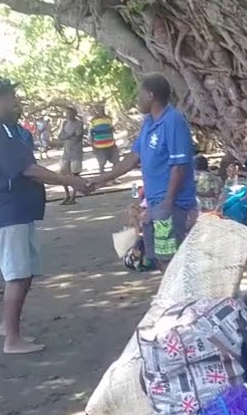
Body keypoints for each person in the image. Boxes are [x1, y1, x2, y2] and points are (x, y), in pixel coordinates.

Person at [0, 76, 91, 355]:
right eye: (10, 97)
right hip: (6, 212)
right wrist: (72, 181)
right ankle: (12, 340)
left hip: (16, 211)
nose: (16, 101)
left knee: (24, 273)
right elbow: (29, 169)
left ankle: (8, 326)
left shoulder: (5, 129)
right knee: (16, 275)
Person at [96, 74, 199, 269]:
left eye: (139, 94)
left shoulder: (173, 121)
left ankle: (181, 299)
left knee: (170, 259)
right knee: (158, 257)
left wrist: (167, 203)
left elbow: (179, 166)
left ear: (150, 95)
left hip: (172, 204)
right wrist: (102, 179)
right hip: (153, 204)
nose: (137, 99)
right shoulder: (149, 123)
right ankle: (170, 299)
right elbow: (134, 156)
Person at [57, 106, 85, 205]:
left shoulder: (78, 123)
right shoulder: (64, 123)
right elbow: (60, 136)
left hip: (76, 151)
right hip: (66, 151)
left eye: (69, 113)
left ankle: (73, 196)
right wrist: (69, 136)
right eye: (66, 113)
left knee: (75, 174)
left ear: (74, 114)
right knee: (63, 174)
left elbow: (78, 136)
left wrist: (67, 136)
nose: (67, 115)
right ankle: (67, 195)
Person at [88, 105, 119, 174]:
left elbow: (111, 130)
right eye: (99, 109)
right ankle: (102, 179)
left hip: (110, 144)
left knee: (116, 160)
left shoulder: (108, 119)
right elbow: (91, 134)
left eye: (102, 109)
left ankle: (113, 176)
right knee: (102, 163)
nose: (101, 111)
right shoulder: (93, 121)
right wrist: (92, 145)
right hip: (99, 146)